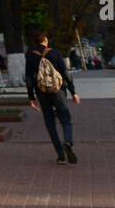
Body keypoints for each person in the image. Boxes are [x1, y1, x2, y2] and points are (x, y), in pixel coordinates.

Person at [25, 32, 80, 164]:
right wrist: (73, 92)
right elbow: (65, 73)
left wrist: (31, 97)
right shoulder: (54, 53)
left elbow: (28, 78)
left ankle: (61, 155)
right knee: (65, 119)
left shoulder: (30, 56)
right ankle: (67, 141)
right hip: (58, 90)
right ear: (45, 40)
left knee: (50, 122)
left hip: (41, 92)